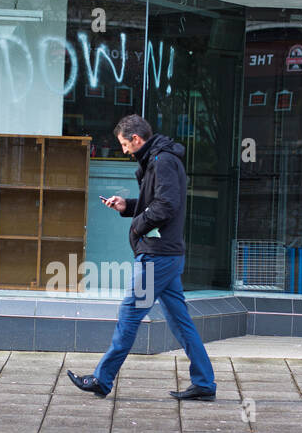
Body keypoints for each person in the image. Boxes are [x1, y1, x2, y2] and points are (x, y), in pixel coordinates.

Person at [68, 114, 217, 401]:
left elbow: (166, 206)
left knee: (129, 316)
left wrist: (137, 224)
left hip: (156, 257)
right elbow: (155, 204)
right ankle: (205, 382)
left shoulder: (162, 162)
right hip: (166, 256)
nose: (123, 150)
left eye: (124, 144)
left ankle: (101, 379)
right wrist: (128, 207)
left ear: (136, 139)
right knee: (180, 322)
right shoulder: (158, 161)